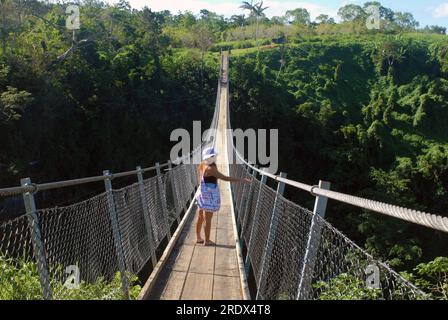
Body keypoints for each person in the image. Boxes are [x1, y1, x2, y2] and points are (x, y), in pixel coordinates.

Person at [196, 147, 250, 246]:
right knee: (207, 220)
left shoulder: (203, 164)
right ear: (212, 157)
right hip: (209, 198)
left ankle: (198, 237)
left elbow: (200, 178)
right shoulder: (211, 168)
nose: (215, 157)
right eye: (214, 156)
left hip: (202, 194)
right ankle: (207, 241)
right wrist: (241, 180)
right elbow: (225, 178)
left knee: (200, 217)